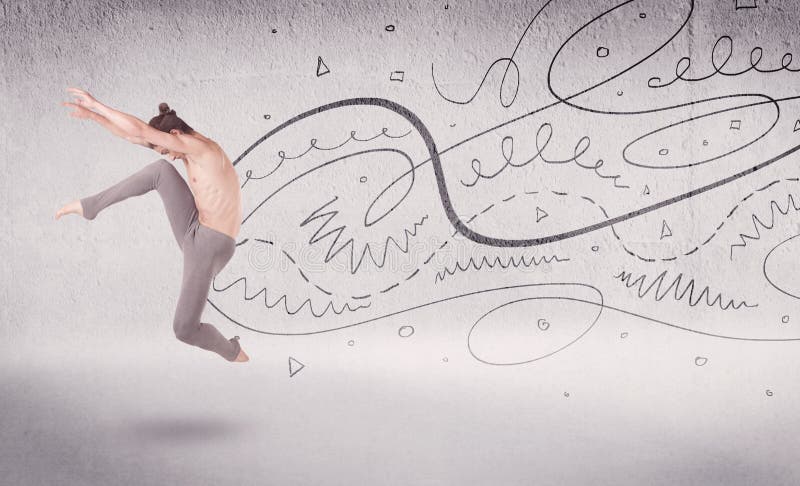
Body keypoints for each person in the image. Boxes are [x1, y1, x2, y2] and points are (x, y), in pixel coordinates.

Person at [55, 87, 249, 363]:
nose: (171, 155)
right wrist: (93, 116)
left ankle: (231, 351)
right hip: (194, 227)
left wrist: (97, 104)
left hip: (210, 245)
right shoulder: (187, 148)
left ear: (175, 134)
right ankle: (91, 206)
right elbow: (134, 136)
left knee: (184, 329)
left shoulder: (202, 148)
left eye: (166, 149)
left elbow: (141, 131)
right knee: (160, 171)